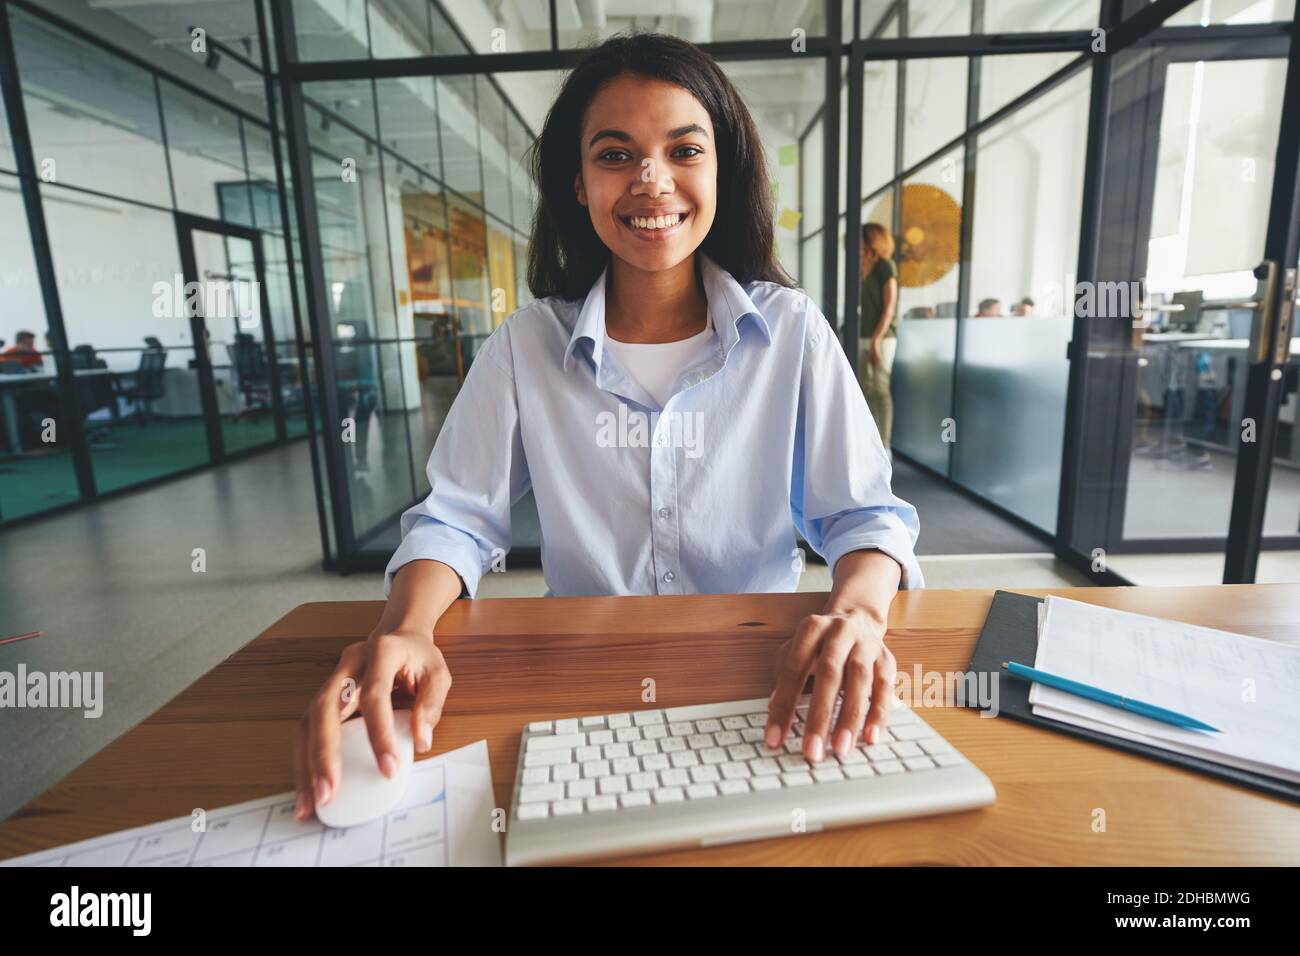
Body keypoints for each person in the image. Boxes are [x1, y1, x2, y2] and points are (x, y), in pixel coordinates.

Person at [293, 32, 923, 822]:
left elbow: (862, 514)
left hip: (763, 679)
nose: (652, 180)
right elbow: (457, 517)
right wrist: (407, 627)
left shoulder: (791, 333)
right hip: (580, 679)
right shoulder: (527, 346)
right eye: (616, 155)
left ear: (721, 170)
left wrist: (859, 614)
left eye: (684, 149)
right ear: (579, 184)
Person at [857, 222, 899, 453]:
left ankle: (885, 447)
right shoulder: (862, 267)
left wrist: (876, 340)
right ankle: (869, 444)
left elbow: (889, 308)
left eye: (862, 241)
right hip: (862, 334)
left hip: (882, 337)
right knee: (865, 390)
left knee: (881, 389)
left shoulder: (886, 266)